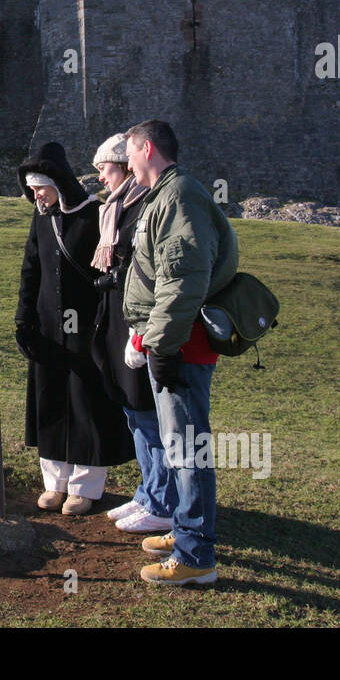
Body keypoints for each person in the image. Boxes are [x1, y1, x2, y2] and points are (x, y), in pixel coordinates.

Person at [121, 120, 238, 586]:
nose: (128, 163)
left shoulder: (179, 197)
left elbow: (184, 279)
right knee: (179, 446)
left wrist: (163, 345)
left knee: (189, 450)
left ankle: (195, 558)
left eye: (130, 153)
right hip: (174, 341)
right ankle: (185, 528)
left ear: (147, 148)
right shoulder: (169, 195)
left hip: (182, 344)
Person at [15, 142, 133, 515]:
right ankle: (55, 482)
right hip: (49, 326)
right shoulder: (41, 218)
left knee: (87, 402)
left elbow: (112, 270)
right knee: (50, 398)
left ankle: (84, 486)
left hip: (88, 327)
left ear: (60, 184)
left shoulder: (96, 214)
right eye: (32, 190)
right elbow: (30, 269)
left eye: (41, 188)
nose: (36, 195)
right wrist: (24, 318)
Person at [87, 134, 175, 535]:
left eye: (104, 170)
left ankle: (163, 500)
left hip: (139, 325)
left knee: (147, 412)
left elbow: (153, 266)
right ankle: (148, 492)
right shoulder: (118, 207)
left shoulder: (142, 207)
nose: (100, 178)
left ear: (123, 166)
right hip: (120, 319)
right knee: (134, 412)